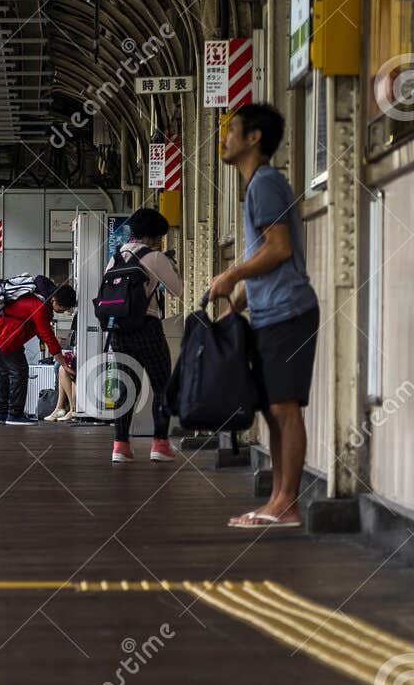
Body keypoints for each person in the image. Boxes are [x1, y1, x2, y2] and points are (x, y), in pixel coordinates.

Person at [209, 102, 319, 529]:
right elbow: (268, 255)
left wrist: (233, 274)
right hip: (271, 311)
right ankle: (277, 498)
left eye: (232, 129)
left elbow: (280, 248)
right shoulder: (257, 186)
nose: (225, 137)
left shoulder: (265, 184)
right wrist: (239, 301)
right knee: (275, 409)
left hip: (289, 311)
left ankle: (287, 503)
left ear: (254, 138)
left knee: (284, 408)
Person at [103, 207, 184, 461]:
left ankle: (120, 446)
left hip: (118, 329)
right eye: (159, 236)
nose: (160, 241)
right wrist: (169, 265)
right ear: (151, 236)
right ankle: (159, 444)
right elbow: (178, 290)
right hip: (147, 328)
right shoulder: (155, 257)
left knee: (126, 387)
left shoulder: (116, 257)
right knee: (162, 385)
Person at [0, 276, 78, 425]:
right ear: (55, 301)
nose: (64, 311)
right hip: (4, 332)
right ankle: (14, 414)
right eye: (64, 308)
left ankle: (1, 413)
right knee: (20, 371)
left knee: (2, 372)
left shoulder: (39, 295)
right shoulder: (40, 307)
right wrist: (65, 365)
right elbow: (49, 338)